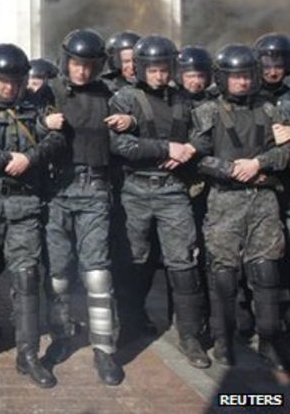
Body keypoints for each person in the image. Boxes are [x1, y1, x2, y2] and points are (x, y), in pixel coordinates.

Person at [0, 43, 64, 388]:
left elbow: (56, 142)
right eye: (3, 81)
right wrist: (2, 161)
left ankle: (29, 354)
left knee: (26, 277)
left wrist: (30, 159)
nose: (9, 88)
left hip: (23, 207)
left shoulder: (35, 108)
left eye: (15, 81)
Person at [109, 35, 210, 369]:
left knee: (183, 261)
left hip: (173, 189)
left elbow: (205, 132)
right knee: (134, 259)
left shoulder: (184, 99)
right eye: (152, 68)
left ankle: (190, 335)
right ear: (140, 69)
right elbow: (121, 147)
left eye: (164, 68)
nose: (159, 74)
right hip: (135, 189)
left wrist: (192, 148)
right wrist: (167, 149)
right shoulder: (125, 99)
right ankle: (131, 324)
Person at [190, 44, 290, 370]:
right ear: (223, 79)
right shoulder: (208, 111)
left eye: (247, 76)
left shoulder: (270, 109)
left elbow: (285, 152)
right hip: (225, 199)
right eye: (236, 77)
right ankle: (223, 341)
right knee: (224, 274)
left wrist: (259, 162)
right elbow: (197, 156)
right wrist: (231, 169)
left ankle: (269, 340)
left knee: (266, 272)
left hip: (262, 199)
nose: (243, 83)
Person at [39, 30, 131, 385]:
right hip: (58, 189)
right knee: (59, 274)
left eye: (88, 65)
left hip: (94, 188)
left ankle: (104, 350)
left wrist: (130, 122)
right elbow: (25, 126)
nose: (81, 71)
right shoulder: (48, 92)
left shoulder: (110, 94)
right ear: (66, 62)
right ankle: (61, 339)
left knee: (96, 273)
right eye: (77, 64)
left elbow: (131, 127)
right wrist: (40, 122)